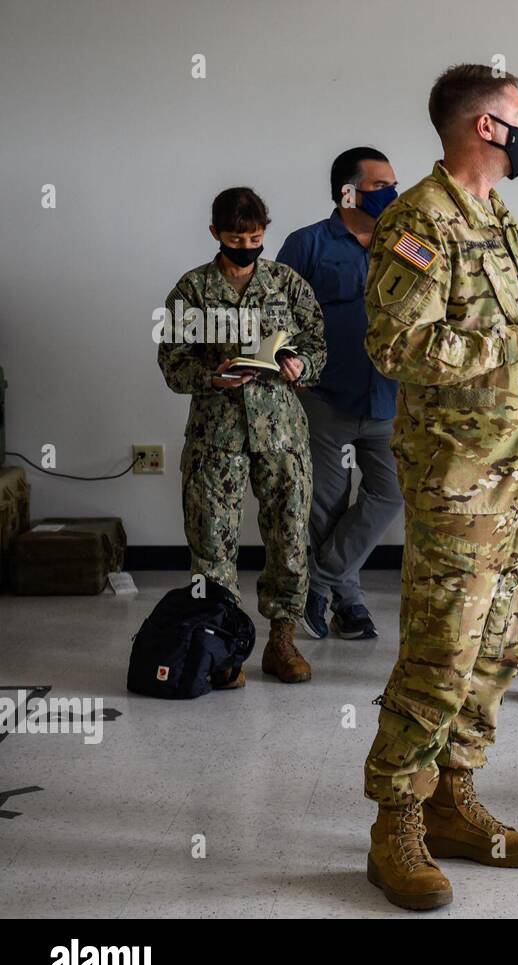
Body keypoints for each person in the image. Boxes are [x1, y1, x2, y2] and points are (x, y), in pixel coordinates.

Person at [360, 64, 518, 911]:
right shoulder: (419, 220)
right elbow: (397, 345)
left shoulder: (500, 217)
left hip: (516, 479)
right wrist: (514, 333)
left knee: (494, 653)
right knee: (441, 654)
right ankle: (395, 826)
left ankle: (453, 799)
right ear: (488, 127)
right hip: (458, 483)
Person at [158, 187, 325, 685]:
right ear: (215, 234)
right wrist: (212, 376)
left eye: (255, 237)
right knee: (212, 545)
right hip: (217, 437)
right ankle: (222, 648)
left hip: (282, 435)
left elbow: (317, 345)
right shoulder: (192, 290)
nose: (247, 245)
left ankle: (282, 642)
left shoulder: (287, 284)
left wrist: (300, 365)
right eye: (236, 237)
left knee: (290, 538)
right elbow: (172, 363)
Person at [278, 147, 404, 641]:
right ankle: (349, 605)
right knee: (325, 506)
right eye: (379, 186)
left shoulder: (408, 245)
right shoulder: (308, 243)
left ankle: (321, 581)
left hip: (391, 401)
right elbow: (276, 313)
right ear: (347, 191)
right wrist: (290, 365)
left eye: (394, 183)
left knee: (390, 493)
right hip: (324, 399)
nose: (392, 193)